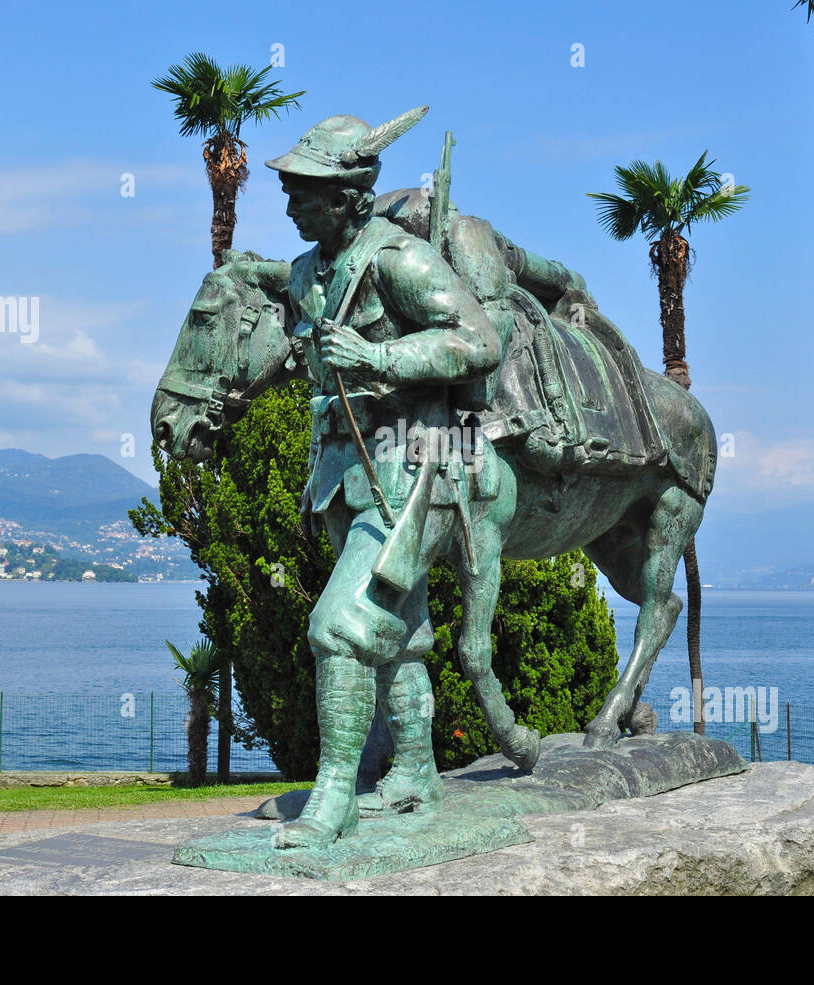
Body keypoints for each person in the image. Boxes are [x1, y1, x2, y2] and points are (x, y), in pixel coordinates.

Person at [264, 107, 502, 848]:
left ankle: (333, 796)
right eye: (291, 189)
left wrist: (384, 360)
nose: (290, 202)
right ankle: (416, 772)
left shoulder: (399, 260)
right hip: (342, 471)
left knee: (339, 626)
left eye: (306, 191)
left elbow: (479, 341)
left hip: (413, 463)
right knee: (396, 633)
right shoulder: (307, 272)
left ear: (349, 196)